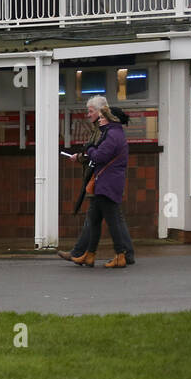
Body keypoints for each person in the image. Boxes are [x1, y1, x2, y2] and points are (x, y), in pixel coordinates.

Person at [58, 96, 132, 268]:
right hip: (103, 182)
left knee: (109, 221)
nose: (94, 117)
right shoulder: (110, 132)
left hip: (106, 183)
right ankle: (89, 254)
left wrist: (88, 151)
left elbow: (99, 155)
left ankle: (120, 254)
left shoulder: (110, 133)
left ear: (105, 115)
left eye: (95, 113)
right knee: (97, 219)